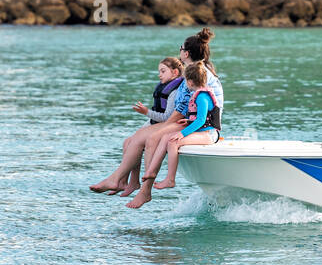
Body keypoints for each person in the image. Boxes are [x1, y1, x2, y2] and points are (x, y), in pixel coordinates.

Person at [89, 29, 223, 195]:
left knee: (151, 138)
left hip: (201, 127)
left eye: (181, 48)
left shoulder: (198, 75)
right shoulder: (191, 73)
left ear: (186, 53)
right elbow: (182, 107)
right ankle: (125, 181)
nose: (179, 50)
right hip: (186, 122)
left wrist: (163, 127)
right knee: (135, 137)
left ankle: (143, 190)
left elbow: (184, 110)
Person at [127, 61, 221, 209]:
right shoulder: (197, 94)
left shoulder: (202, 96)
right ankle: (151, 171)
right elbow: (197, 118)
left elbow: (202, 120)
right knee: (166, 137)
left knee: (173, 141)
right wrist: (188, 120)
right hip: (199, 130)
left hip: (208, 134)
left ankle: (170, 179)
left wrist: (182, 134)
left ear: (189, 82)